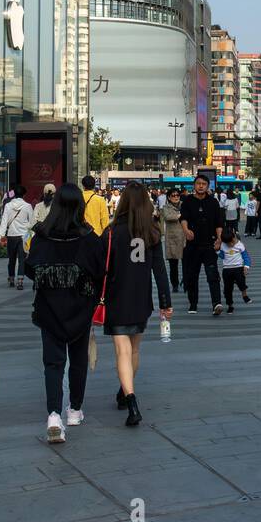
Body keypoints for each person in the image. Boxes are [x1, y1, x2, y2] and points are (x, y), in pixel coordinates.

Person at [24, 183, 104, 442]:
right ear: (80, 206)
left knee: (53, 362)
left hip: (49, 309)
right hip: (81, 308)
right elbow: (101, 271)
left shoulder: (42, 237)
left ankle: (54, 415)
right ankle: (75, 410)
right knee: (78, 359)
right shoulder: (88, 238)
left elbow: (30, 269)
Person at [102, 183, 172, 427]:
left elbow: (100, 268)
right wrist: (166, 303)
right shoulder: (151, 232)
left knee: (121, 351)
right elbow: (160, 272)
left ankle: (130, 399)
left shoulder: (111, 233)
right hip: (142, 299)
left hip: (116, 298)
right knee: (133, 351)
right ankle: (124, 391)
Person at [180, 174, 224, 315]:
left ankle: (216, 303)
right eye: (198, 183)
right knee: (192, 275)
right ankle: (193, 304)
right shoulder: (187, 201)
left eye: (203, 184)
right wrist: (186, 230)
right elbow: (183, 218)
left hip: (209, 245)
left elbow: (219, 223)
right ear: (194, 185)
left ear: (207, 186)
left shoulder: (213, 202)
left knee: (213, 275)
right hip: (192, 245)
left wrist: (219, 239)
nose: (200, 186)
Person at [0, 185, 35, 289]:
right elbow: (32, 222)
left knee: (11, 259)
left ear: (14, 194)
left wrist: (2, 235)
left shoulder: (8, 205)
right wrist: (31, 236)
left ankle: (11, 279)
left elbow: (4, 221)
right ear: (24, 194)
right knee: (22, 259)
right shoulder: (27, 206)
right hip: (23, 236)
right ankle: (20, 281)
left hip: (11, 235)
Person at [219, 227, 252, 311]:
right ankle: (230, 305)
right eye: (227, 243)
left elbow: (246, 256)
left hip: (238, 268)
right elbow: (222, 256)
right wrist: (217, 251)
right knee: (228, 289)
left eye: (231, 242)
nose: (230, 245)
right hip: (227, 269)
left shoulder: (240, 245)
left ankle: (244, 295)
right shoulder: (223, 245)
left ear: (234, 237)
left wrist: (246, 266)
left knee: (241, 283)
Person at [159, 187, 185, 291]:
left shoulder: (184, 205)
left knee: (186, 263)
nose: (176, 197)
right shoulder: (166, 207)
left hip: (184, 238)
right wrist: (180, 215)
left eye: (177, 195)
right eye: (173, 196)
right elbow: (168, 217)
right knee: (173, 264)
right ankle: (175, 284)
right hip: (172, 239)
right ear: (169, 197)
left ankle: (186, 281)